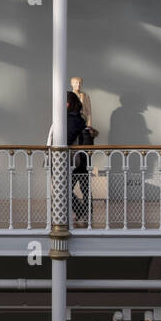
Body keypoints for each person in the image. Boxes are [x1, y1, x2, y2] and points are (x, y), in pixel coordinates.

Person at [66, 91, 90, 223]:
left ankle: (82, 211)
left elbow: (68, 138)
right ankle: (84, 212)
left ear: (68, 103)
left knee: (64, 189)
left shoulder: (72, 119)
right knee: (84, 187)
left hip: (74, 159)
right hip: (80, 158)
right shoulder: (76, 118)